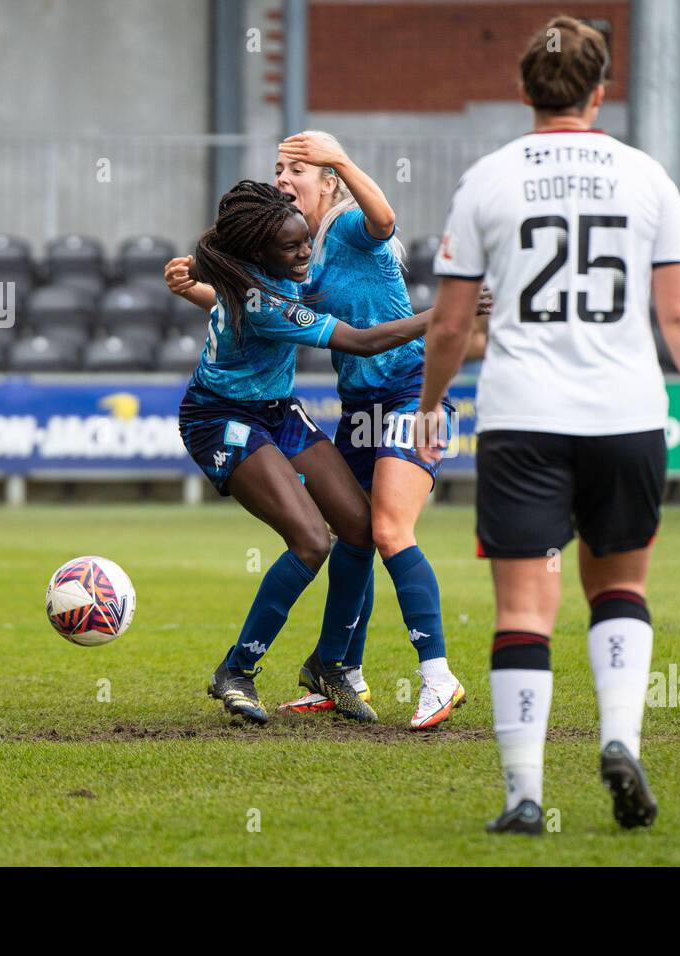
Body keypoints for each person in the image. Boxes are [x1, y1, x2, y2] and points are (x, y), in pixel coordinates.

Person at [414, 15, 680, 835]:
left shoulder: (487, 180)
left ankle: (525, 796)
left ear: (524, 89)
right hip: (626, 417)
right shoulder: (647, 178)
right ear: (602, 92)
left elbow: (449, 328)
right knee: (621, 590)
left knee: (523, 614)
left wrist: (428, 410)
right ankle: (617, 739)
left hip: (523, 420)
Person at [167, 133, 477, 730]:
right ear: (267, 248)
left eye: (297, 170)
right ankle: (238, 670)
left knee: (365, 527)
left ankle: (335, 665)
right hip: (222, 418)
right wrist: (448, 312)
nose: (307, 251)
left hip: (302, 407)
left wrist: (192, 287)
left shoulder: (301, 252)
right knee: (316, 541)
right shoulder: (264, 292)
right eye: (295, 247)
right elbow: (350, 337)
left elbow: (378, 223)